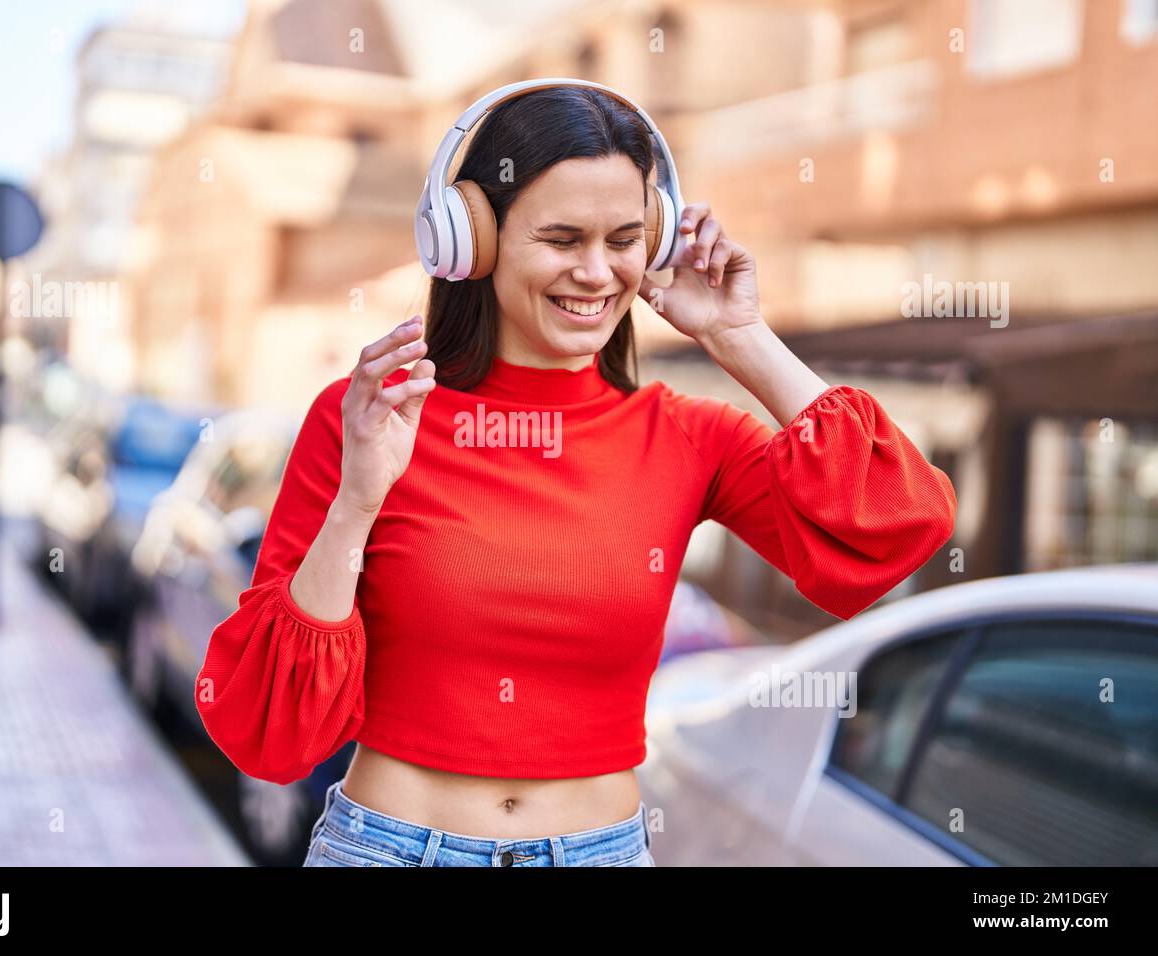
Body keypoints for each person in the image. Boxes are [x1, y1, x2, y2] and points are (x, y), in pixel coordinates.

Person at [194, 83, 957, 867]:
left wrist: (741, 337)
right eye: (562, 239)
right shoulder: (372, 419)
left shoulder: (689, 436)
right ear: (473, 240)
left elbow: (902, 525)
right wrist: (358, 501)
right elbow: (268, 729)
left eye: (624, 240)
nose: (597, 274)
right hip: (389, 849)